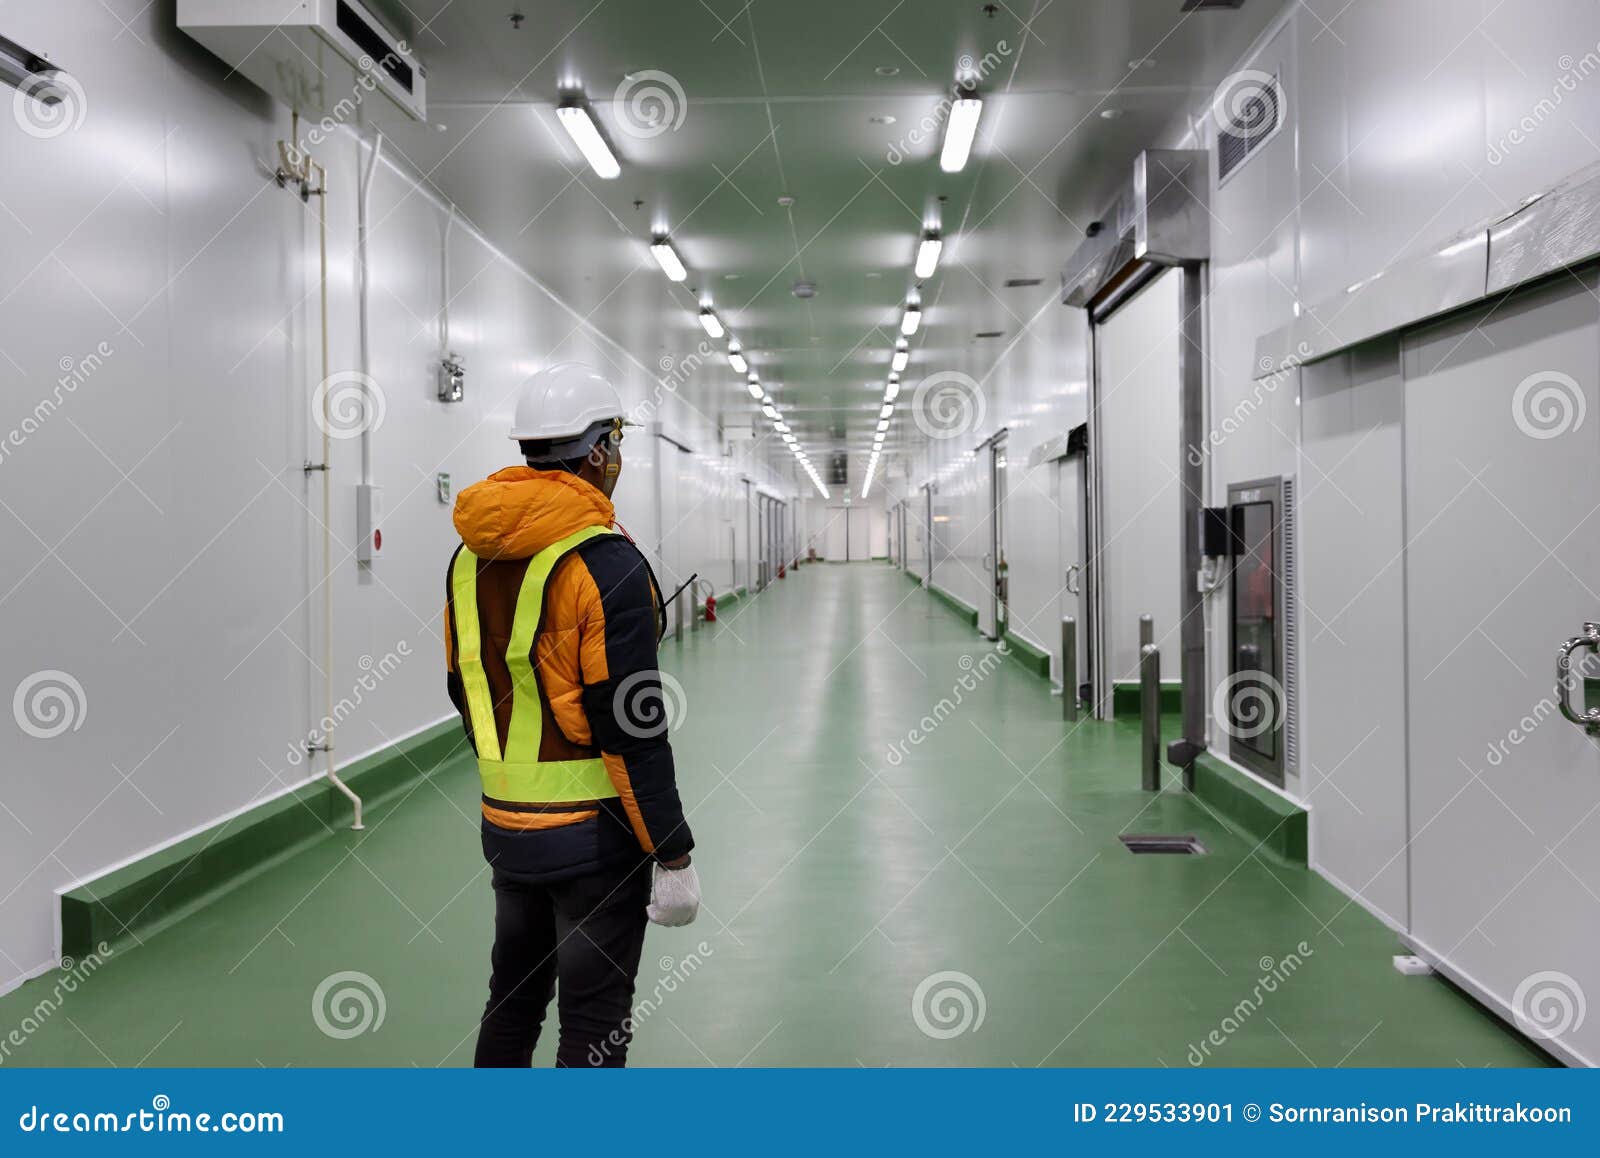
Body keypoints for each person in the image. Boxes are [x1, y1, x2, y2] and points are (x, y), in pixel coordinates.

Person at [444, 362, 700, 1068]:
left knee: (514, 998)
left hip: (508, 828)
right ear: (594, 452)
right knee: (594, 1019)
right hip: (595, 844)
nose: (619, 458)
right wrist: (671, 852)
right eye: (615, 441)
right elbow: (632, 726)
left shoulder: (469, 560)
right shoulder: (608, 565)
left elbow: (465, 687)